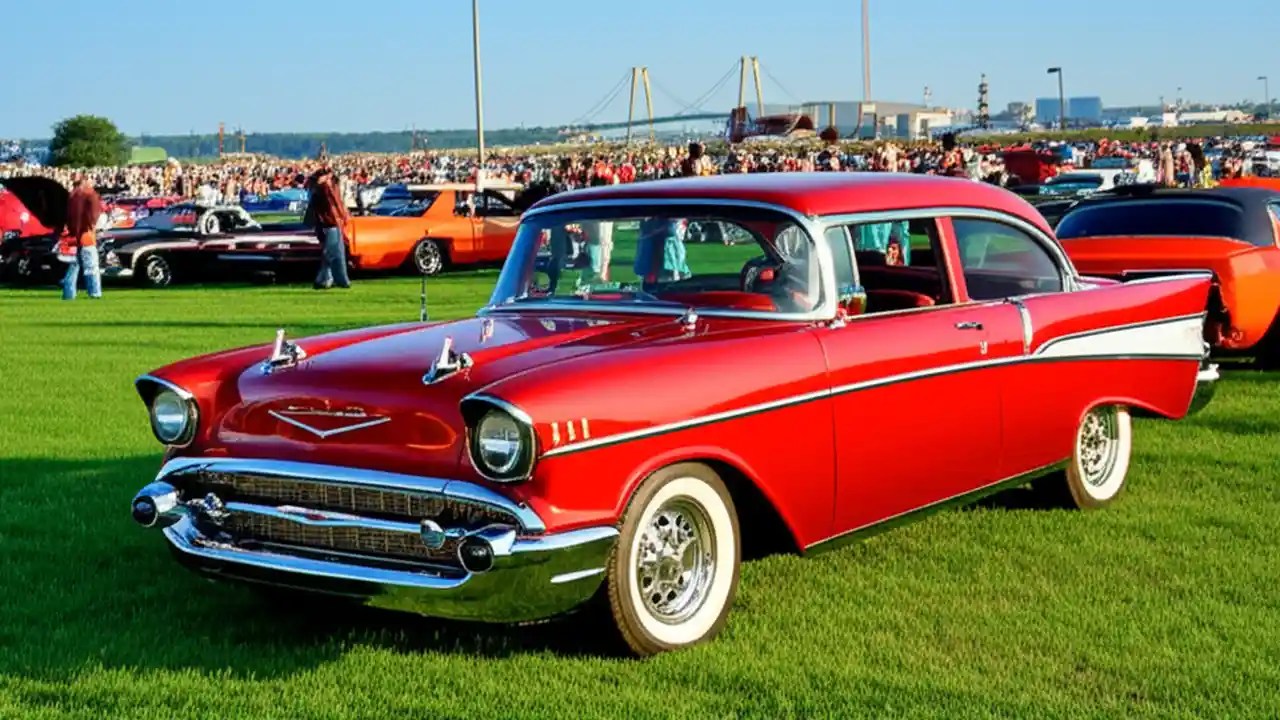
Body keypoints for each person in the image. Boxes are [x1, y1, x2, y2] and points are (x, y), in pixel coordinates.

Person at [58, 173, 103, 300]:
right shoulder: (90, 195)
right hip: (86, 236)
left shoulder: (71, 197)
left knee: (74, 266)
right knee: (91, 266)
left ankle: (68, 293)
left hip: (73, 237)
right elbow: (93, 216)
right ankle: (94, 292)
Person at [304, 167, 351, 289]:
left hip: (325, 224)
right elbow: (336, 203)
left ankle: (327, 279)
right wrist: (344, 216)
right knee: (334, 253)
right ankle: (338, 280)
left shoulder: (315, 190)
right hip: (331, 223)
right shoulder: (326, 189)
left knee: (331, 253)